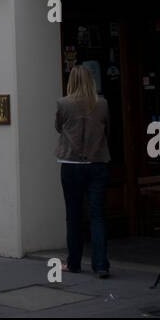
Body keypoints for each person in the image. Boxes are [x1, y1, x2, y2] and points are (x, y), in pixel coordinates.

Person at [55, 64, 110, 277]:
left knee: (73, 215)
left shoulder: (63, 103)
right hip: (97, 162)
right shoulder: (102, 104)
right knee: (97, 215)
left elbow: (58, 127)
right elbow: (108, 128)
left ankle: (74, 263)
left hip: (71, 163)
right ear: (91, 81)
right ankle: (101, 265)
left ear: (71, 82)